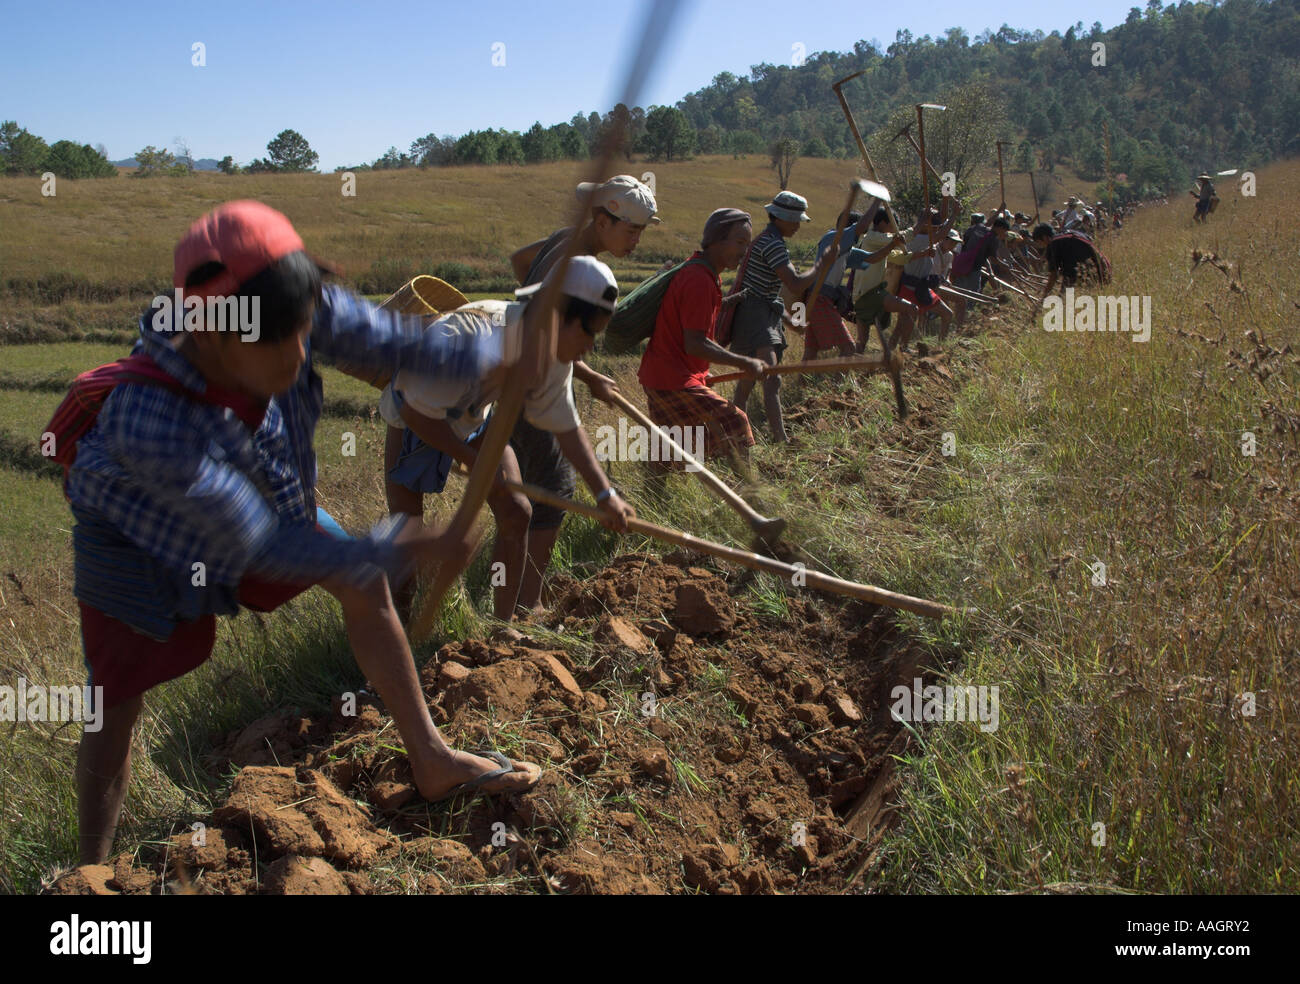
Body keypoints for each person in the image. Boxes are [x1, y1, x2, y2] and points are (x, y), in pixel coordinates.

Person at [66, 201, 543, 865]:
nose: (299, 353)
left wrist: (502, 350)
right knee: (114, 707)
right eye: (279, 342)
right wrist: (413, 542)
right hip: (137, 538)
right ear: (211, 334)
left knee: (363, 581)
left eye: (305, 331)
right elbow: (256, 542)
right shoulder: (151, 421)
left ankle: (432, 760)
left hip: (259, 496)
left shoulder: (282, 302)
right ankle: (93, 871)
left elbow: (398, 341)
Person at [380, 257, 634, 622]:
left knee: (517, 512)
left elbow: (566, 427)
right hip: (414, 423)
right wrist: (471, 458)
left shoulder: (552, 354)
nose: (592, 346)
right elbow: (414, 412)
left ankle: (503, 626)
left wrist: (604, 493)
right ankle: (398, 624)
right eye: (590, 331)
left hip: (471, 419)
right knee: (407, 536)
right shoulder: (464, 338)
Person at [506, 175, 656, 612]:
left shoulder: (565, 242)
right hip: (535, 384)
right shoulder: (576, 260)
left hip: (531, 372)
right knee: (554, 486)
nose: (636, 241)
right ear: (602, 219)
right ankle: (526, 604)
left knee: (532, 489)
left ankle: (515, 595)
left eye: (642, 232)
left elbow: (520, 261)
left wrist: (586, 374)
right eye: (631, 230)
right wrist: (583, 371)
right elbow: (552, 319)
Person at [637, 208, 767, 474]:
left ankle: (653, 499)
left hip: (665, 376)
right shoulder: (699, 279)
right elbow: (695, 343)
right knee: (735, 423)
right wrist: (745, 362)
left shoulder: (704, 273)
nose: (744, 251)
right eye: (740, 242)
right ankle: (751, 492)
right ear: (717, 240)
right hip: (672, 380)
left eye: (747, 244)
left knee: (671, 450)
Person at [729, 190, 840, 444]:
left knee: (747, 382)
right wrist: (821, 265)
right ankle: (780, 439)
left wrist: (790, 322)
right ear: (781, 218)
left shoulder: (767, 240)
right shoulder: (772, 244)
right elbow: (795, 283)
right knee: (771, 378)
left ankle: (735, 436)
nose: (799, 226)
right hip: (755, 317)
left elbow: (771, 295)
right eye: (796, 220)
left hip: (759, 315)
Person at [804, 211, 861, 361]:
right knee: (849, 348)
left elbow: (872, 258)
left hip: (817, 300)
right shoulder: (833, 239)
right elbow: (861, 228)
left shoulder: (844, 249)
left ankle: (802, 384)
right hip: (820, 300)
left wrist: (893, 244)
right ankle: (840, 384)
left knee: (811, 351)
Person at [1032, 222, 1105, 293]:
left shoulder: (1053, 245)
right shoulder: (1070, 234)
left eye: (1039, 242)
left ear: (1044, 237)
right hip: (1098, 274)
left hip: (1078, 277)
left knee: (1064, 301)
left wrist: (1045, 296)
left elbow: (1054, 275)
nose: (1041, 245)